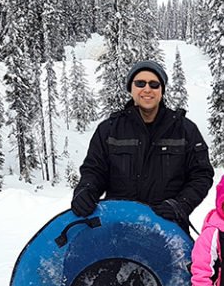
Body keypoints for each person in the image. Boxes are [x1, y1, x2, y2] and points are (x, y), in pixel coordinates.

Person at [71, 60, 214, 231]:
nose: (147, 89)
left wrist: (180, 204)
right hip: (118, 226)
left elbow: (201, 175)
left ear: (162, 91)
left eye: (154, 84)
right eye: (140, 83)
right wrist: (85, 191)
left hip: (168, 229)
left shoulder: (185, 129)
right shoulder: (109, 129)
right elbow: (94, 170)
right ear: (131, 88)